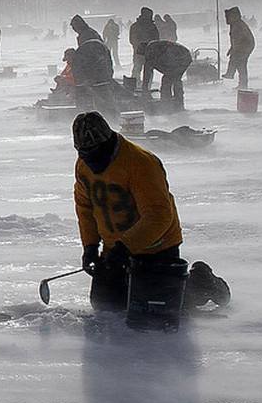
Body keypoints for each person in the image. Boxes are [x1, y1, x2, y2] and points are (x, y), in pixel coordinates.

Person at [73, 111, 229, 313]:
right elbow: (85, 208)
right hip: (116, 248)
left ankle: (201, 282)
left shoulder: (140, 163)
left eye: (93, 151)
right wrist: (90, 247)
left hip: (156, 246)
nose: (89, 157)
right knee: (107, 305)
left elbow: (158, 216)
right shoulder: (83, 165)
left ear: (107, 142)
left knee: (154, 307)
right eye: (83, 152)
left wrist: (126, 246)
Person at [69, 15, 116, 112]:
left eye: (74, 26)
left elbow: (90, 54)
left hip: (96, 70)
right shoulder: (87, 33)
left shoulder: (87, 35)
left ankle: (105, 113)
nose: (74, 29)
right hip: (100, 70)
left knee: (101, 96)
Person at [138, 40, 192, 111]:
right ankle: (178, 104)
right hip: (186, 56)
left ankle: (166, 104)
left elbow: (147, 72)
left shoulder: (150, 49)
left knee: (166, 80)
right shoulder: (154, 46)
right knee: (176, 79)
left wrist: (144, 88)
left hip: (178, 57)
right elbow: (149, 70)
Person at [222, 6, 255, 88]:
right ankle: (240, 82)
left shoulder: (238, 25)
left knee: (240, 63)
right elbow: (234, 40)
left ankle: (234, 77)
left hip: (245, 46)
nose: (226, 19)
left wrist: (234, 49)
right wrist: (232, 48)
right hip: (242, 46)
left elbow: (238, 39)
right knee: (239, 63)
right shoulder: (235, 24)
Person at [129, 7, 160, 82]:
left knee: (138, 68)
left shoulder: (135, 26)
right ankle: (143, 84)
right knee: (143, 69)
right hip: (145, 52)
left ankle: (135, 83)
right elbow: (156, 40)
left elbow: (132, 40)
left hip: (143, 52)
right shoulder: (151, 27)